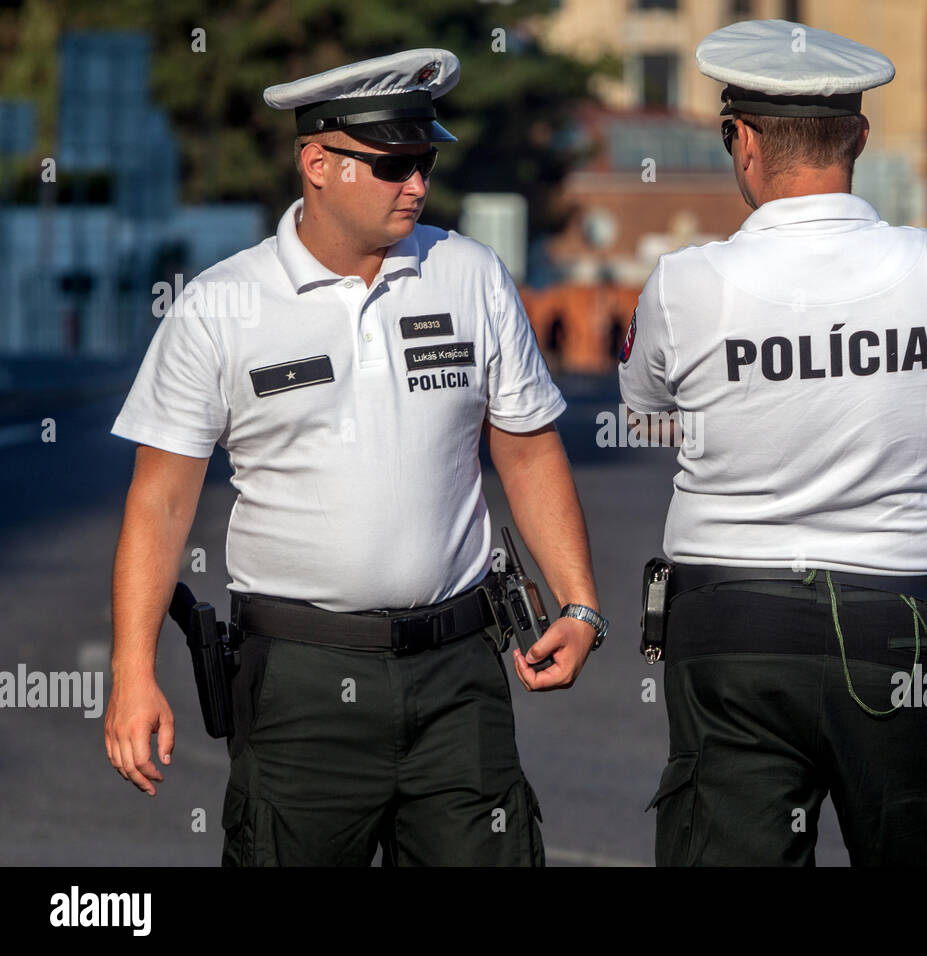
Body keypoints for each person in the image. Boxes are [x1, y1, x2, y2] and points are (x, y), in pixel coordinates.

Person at [103, 48, 609, 866]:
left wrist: (580, 605)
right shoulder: (220, 307)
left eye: (426, 161)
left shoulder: (469, 274)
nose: (418, 184)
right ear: (318, 164)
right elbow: (160, 502)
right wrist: (132, 673)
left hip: (457, 679)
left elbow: (528, 452)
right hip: (299, 683)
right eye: (394, 164)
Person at [620, 19, 927, 866]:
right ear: (859, 138)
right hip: (898, 624)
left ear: (743, 139)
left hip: (731, 624)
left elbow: (649, 413)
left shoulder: (686, 281)